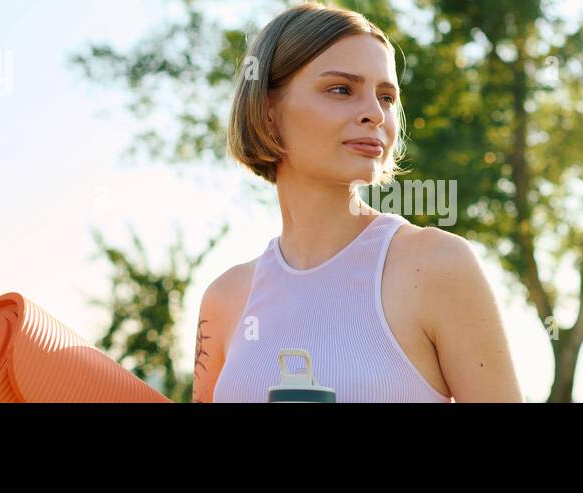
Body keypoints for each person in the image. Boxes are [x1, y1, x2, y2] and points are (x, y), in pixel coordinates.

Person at [193, 3, 522, 403]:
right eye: (341, 89)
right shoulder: (224, 299)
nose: (373, 114)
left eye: (386, 97)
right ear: (268, 113)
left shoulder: (438, 266)